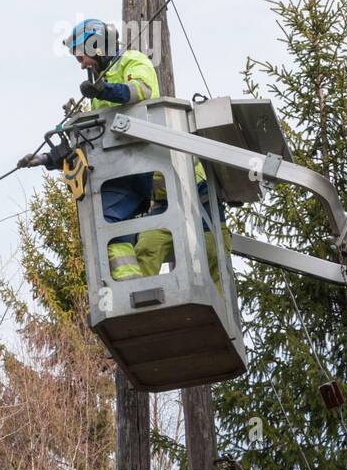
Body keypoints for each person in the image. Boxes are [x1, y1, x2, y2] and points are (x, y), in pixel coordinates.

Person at [20, 18, 227, 286]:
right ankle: (135, 288)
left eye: (83, 57)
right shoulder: (98, 93)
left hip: (183, 176)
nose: (82, 65)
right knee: (127, 236)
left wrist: (107, 89)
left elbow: (140, 90)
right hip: (147, 179)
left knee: (209, 253)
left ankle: (140, 287)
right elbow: (93, 138)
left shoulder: (132, 60)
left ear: (97, 46)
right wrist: (48, 158)